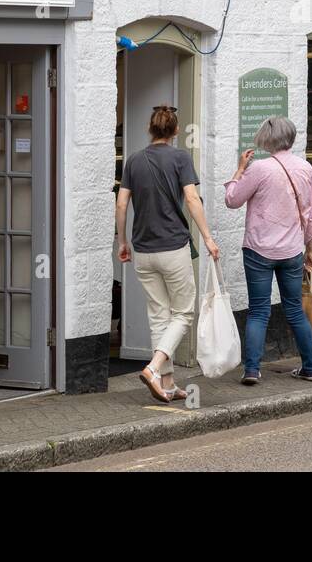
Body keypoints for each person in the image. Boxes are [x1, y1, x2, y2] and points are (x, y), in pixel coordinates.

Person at [116, 105, 220, 403]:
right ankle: (152, 369)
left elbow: (122, 204)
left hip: (144, 251)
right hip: (173, 248)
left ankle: (169, 382)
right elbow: (191, 198)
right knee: (183, 313)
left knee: (159, 316)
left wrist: (123, 241)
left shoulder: (134, 161)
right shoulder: (180, 158)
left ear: (151, 129)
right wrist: (208, 238)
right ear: (175, 131)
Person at [223, 116, 312, 386]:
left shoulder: (259, 169)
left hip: (259, 250)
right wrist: (310, 249)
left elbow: (232, 200)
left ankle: (252, 370)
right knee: (294, 310)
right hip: (292, 251)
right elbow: (311, 214)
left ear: (267, 138)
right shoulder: (305, 168)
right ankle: (311, 367)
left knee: (258, 311)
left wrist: (239, 170)